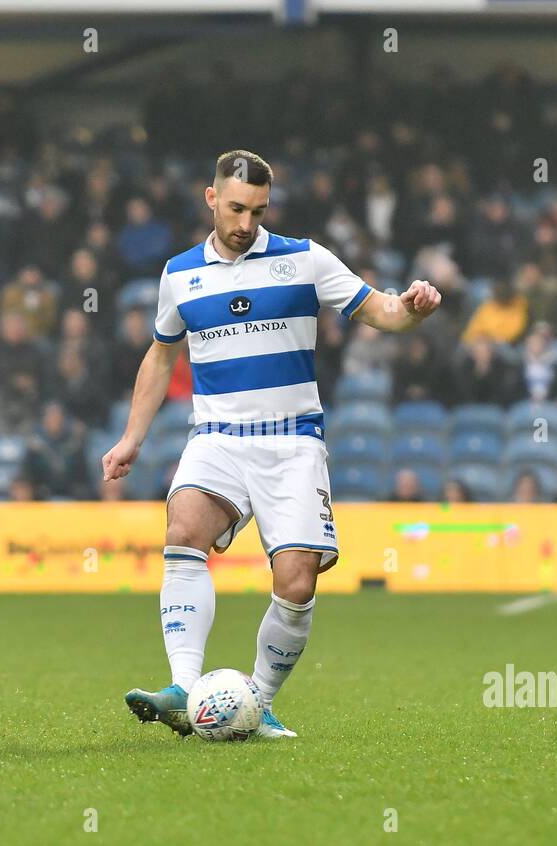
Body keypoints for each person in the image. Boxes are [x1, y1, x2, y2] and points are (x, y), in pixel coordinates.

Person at [103, 150, 440, 740]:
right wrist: (133, 437)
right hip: (218, 438)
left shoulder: (305, 259)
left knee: (296, 582)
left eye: (257, 211)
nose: (245, 223)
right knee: (183, 527)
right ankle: (183, 688)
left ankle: (254, 702)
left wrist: (411, 308)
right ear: (211, 199)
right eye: (235, 208)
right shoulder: (179, 274)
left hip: (292, 443)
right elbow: (160, 354)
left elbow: (382, 311)